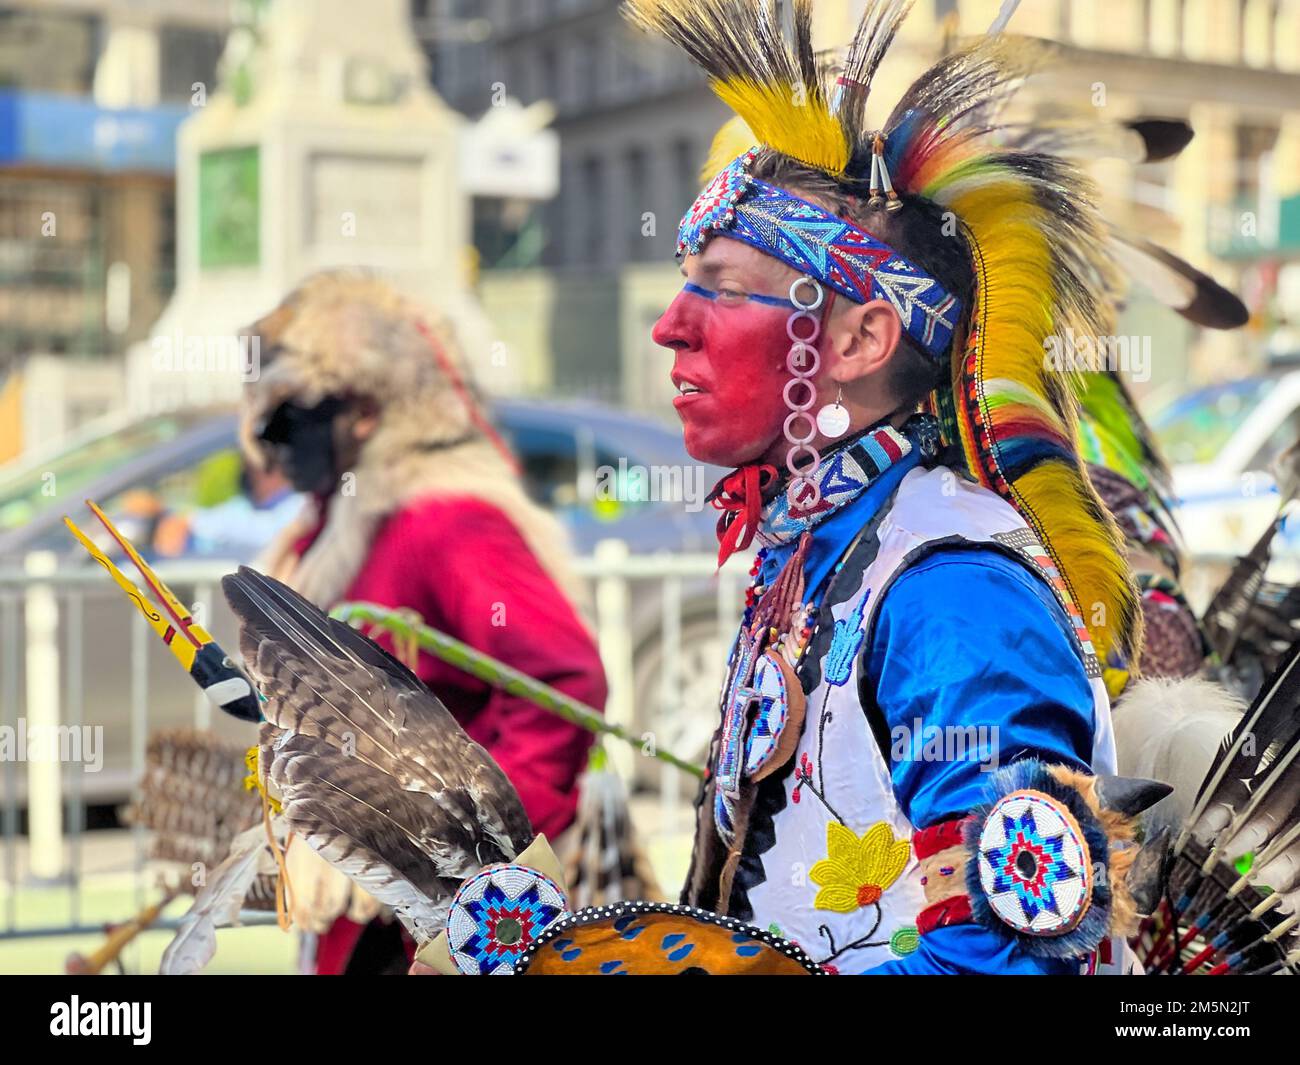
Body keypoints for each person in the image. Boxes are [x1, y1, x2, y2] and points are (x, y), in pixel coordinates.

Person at [628, 0, 1151, 974]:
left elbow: (1015, 959)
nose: (672, 324)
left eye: (727, 289)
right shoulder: (822, 549)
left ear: (862, 340)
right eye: (685, 283)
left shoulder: (950, 587)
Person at [240, 269, 607, 973]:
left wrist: (472, 852)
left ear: (365, 411)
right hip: (364, 906)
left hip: (444, 919)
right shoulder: (327, 530)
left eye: (295, 415)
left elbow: (563, 680)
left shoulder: (445, 521)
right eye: (265, 420)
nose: (271, 442)